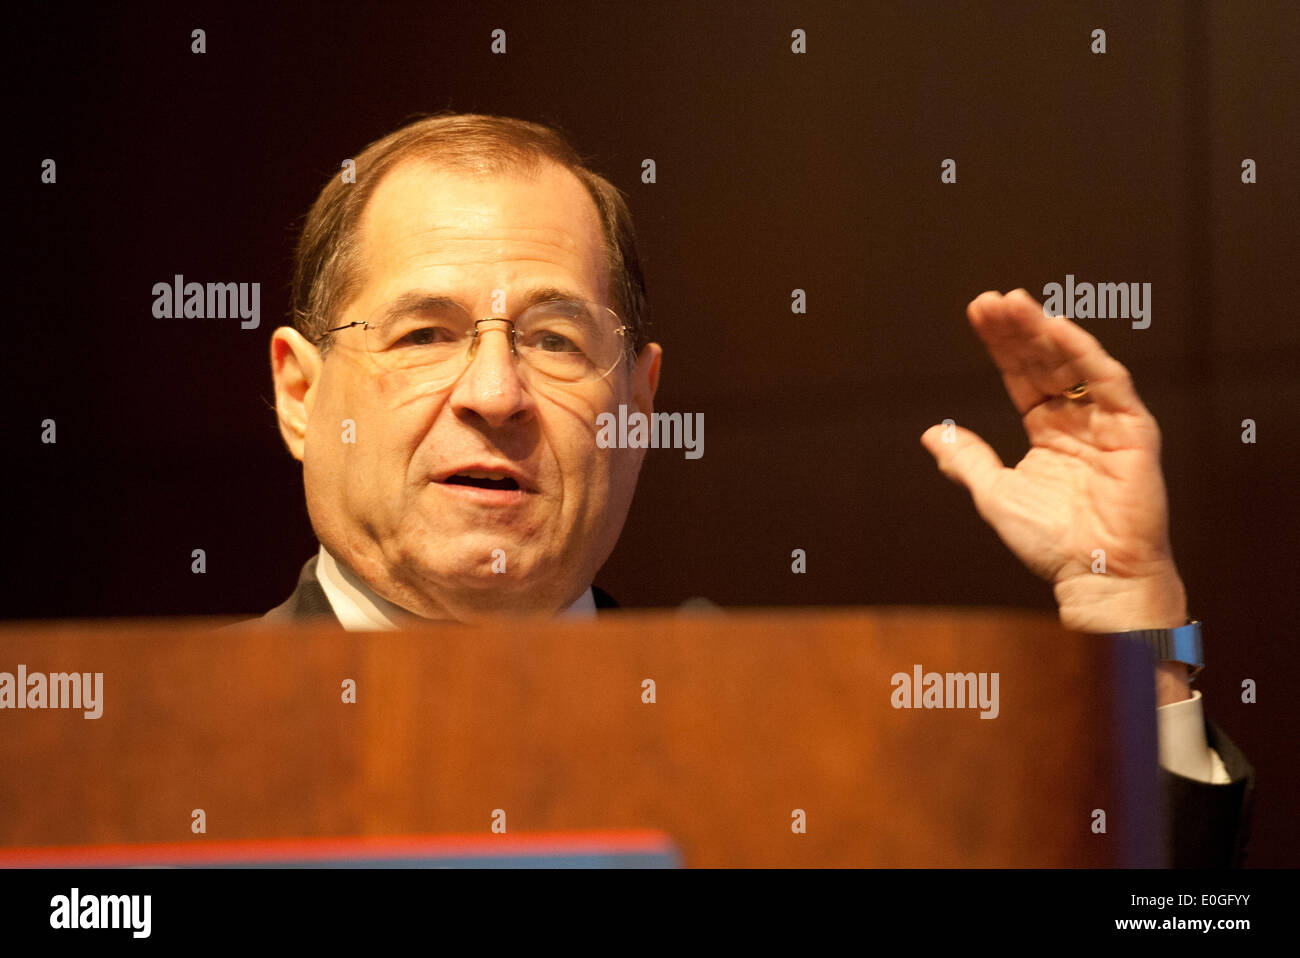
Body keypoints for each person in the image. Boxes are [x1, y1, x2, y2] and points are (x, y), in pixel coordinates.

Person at [264, 113, 1252, 866]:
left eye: (555, 339)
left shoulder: (805, 757)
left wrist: (1128, 615)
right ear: (302, 395)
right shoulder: (141, 748)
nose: (493, 393)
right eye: (424, 333)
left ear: (636, 404)